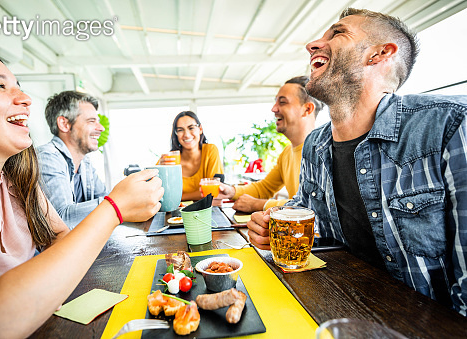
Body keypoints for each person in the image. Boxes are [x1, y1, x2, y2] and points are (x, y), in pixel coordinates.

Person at [247, 8, 467, 315]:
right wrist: (272, 220)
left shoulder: (451, 124)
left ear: (379, 54)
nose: (313, 44)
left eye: (337, 33)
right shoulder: (316, 144)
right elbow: (306, 209)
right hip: (343, 310)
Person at [0, 37, 163, 337]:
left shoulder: (17, 179)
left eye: (18, 85)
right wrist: (114, 207)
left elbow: (59, 236)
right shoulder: (46, 161)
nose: (26, 98)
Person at [217, 76, 324, 213]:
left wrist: (260, 205)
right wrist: (230, 191)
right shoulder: (287, 153)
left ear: (307, 109)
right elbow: (265, 188)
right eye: (275, 102)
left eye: (283, 102)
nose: (274, 109)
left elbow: (313, 205)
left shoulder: (322, 151)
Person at [37, 91, 107, 229]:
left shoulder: (84, 163)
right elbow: (61, 219)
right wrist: (117, 202)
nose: (101, 128)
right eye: (91, 121)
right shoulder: (46, 158)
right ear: (64, 124)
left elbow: (103, 197)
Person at [166, 111, 223, 201]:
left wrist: (177, 198)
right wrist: (160, 170)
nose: (187, 135)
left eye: (191, 128)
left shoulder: (210, 150)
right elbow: (158, 193)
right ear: (176, 134)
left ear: (200, 129)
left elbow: (213, 191)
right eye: (180, 130)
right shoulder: (170, 160)